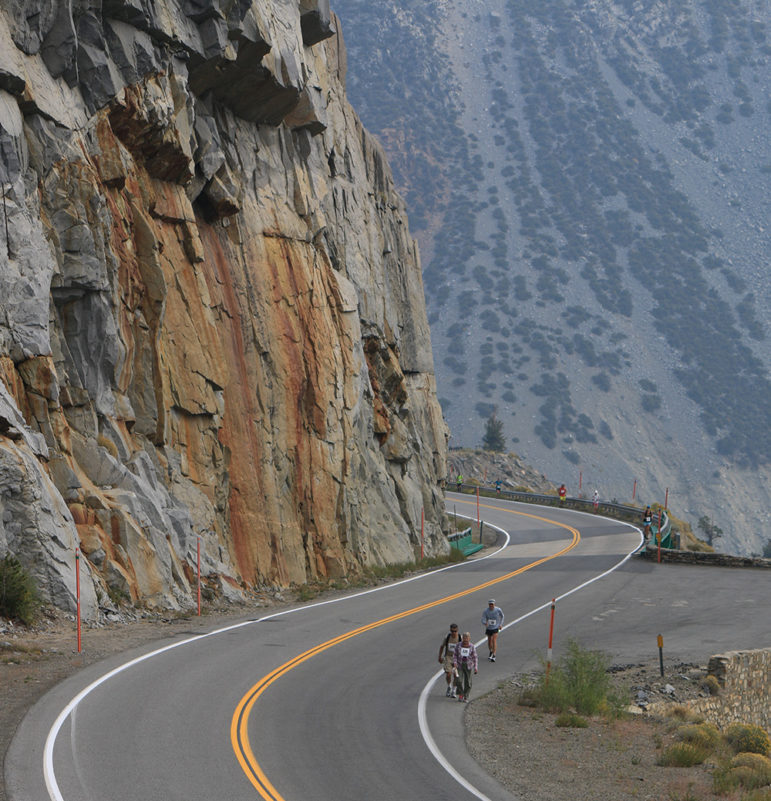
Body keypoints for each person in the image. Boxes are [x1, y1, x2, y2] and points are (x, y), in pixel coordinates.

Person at [452, 631, 478, 702]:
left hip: (468, 665)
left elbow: (475, 657)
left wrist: (475, 667)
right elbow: (454, 655)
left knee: (468, 682)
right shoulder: (458, 645)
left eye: (467, 639)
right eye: (464, 639)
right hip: (459, 665)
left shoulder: (472, 646)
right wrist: (454, 662)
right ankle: (461, 694)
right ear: (462, 638)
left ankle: (466, 696)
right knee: (458, 680)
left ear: (469, 639)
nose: (465, 641)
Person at [437, 623, 462, 697]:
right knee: (448, 674)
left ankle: (454, 690)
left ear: (457, 630)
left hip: (457, 658)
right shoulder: (447, 637)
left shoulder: (460, 638)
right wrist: (440, 657)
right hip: (448, 657)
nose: (454, 633)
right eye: (452, 631)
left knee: (456, 675)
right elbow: (442, 647)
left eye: (455, 631)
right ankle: (449, 686)